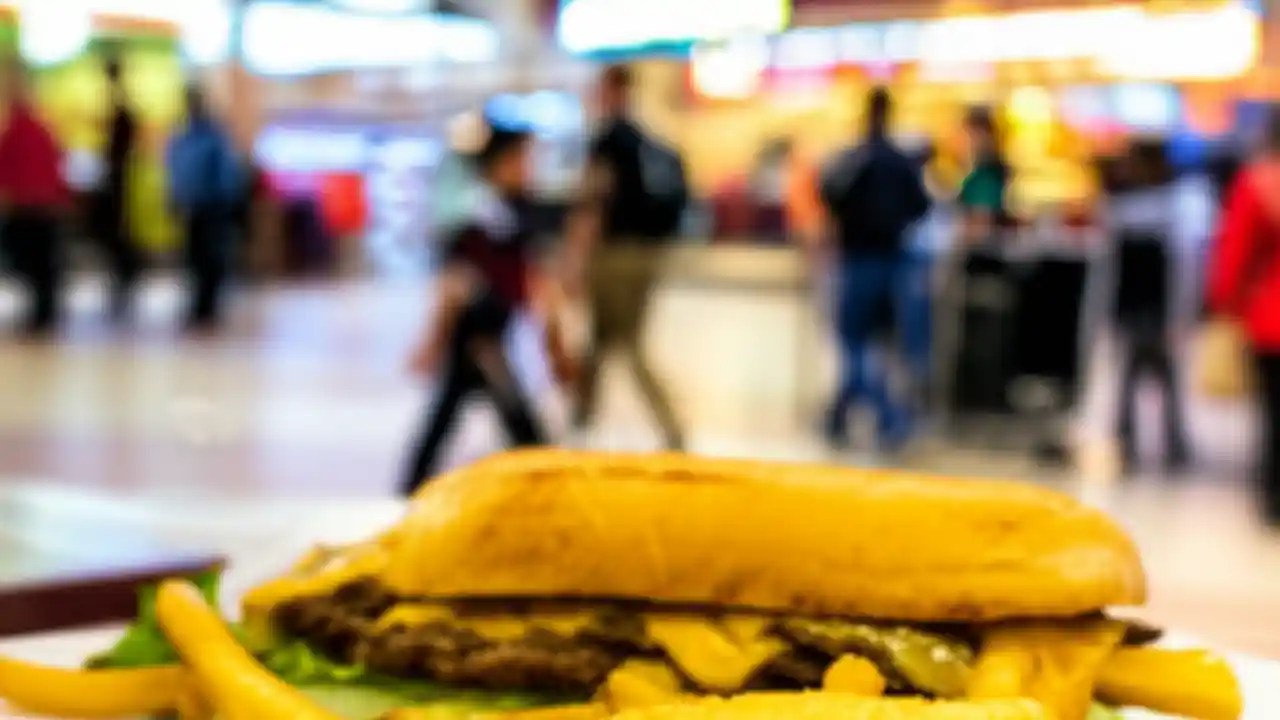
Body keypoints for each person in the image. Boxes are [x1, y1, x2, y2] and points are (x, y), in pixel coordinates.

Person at [402, 125, 552, 495]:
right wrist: (432, 339)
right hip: (479, 336)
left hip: (490, 333)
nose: (528, 168)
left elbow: (530, 277)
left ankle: (409, 491)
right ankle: (547, 484)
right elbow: (456, 280)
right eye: (522, 159)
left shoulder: (511, 209)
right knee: (522, 426)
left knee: (445, 417)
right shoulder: (483, 212)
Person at [566, 64, 686, 450]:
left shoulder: (608, 139)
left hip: (615, 255)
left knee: (626, 343)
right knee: (599, 341)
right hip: (646, 254)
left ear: (611, 90)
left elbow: (592, 201)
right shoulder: (644, 140)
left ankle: (671, 430)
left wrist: (576, 257)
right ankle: (580, 420)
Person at [819, 87, 931, 450]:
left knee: (853, 342)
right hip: (893, 261)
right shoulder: (901, 162)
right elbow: (921, 206)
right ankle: (845, 414)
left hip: (857, 259)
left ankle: (883, 414)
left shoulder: (854, 159)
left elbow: (829, 197)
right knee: (877, 344)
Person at [1209, 108, 1280, 525]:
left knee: (1273, 416)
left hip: (1271, 322)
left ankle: (1273, 498)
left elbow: (1235, 254)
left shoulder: (1258, 183)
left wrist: (1226, 304)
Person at [1109, 139, 1191, 471]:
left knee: (1156, 375)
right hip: (1133, 308)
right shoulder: (1127, 205)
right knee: (1138, 376)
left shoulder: (1171, 207)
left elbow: (1181, 269)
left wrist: (1177, 315)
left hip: (1155, 309)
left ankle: (1165, 442)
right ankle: (1134, 440)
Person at [0, 60, 68, 335]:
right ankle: (44, 314)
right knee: (40, 265)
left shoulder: (19, 131)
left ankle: (42, 314)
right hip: (41, 205)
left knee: (32, 263)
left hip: (27, 206)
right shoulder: (40, 129)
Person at [166, 85, 242, 330]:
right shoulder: (184, 136)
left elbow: (226, 174)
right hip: (193, 206)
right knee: (195, 258)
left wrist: (227, 202)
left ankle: (207, 306)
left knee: (211, 259)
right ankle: (199, 305)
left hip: (212, 207)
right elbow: (176, 172)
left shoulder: (212, 137)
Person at [97, 53, 141, 322]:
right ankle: (122, 278)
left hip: (119, 184)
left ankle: (125, 277)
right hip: (118, 182)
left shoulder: (121, 111)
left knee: (119, 234)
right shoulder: (119, 109)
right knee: (116, 235)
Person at [956, 107, 1008, 245]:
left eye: (969, 134)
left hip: (982, 248)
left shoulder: (987, 170)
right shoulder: (981, 167)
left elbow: (981, 218)